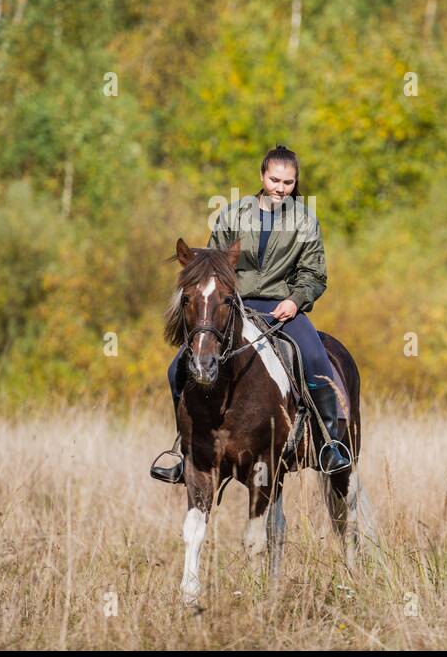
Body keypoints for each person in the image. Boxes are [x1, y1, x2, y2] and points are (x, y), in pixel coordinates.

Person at [150, 144, 352, 483]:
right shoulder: (232, 214)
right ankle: (184, 450)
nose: (280, 188)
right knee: (177, 369)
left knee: (316, 361)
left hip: (282, 309)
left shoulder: (305, 220)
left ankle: (328, 443)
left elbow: (315, 275)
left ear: (296, 183)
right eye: (274, 179)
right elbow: (213, 266)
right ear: (262, 177)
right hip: (234, 307)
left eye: (288, 182)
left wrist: (295, 299)